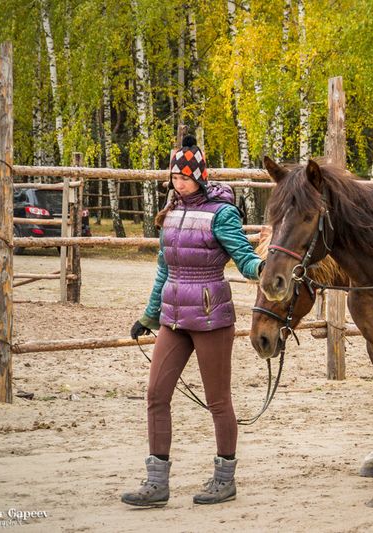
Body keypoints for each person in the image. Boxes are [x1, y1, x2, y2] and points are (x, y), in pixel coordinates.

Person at [121, 135, 264, 507]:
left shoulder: (222, 213)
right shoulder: (171, 212)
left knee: (218, 400)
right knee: (156, 395)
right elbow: (163, 269)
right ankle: (157, 484)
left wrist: (264, 269)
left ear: (199, 177)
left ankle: (224, 479)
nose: (179, 183)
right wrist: (149, 315)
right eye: (175, 177)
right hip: (173, 318)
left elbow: (243, 257)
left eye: (185, 177)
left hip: (211, 316)